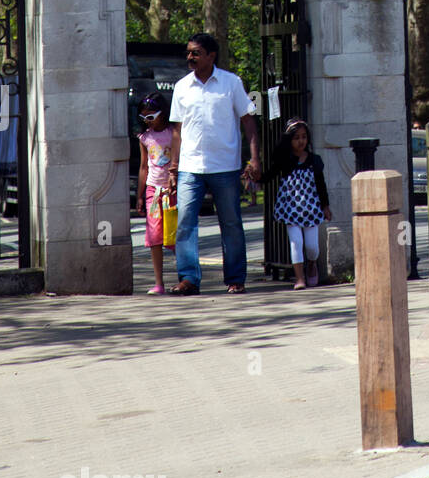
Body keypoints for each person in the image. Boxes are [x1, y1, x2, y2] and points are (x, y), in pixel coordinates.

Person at [167, 32, 260, 295]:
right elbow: (177, 130)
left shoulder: (231, 83)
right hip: (189, 167)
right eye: (188, 52)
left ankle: (235, 277)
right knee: (185, 223)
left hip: (225, 166)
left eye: (196, 53)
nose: (190, 57)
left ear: (211, 56)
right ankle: (188, 279)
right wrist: (173, 167)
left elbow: (249, 122)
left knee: (230, 223)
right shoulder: (182, 87)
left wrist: (254, 159)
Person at [263, 118, 332, 289]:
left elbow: (321, 185)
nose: (301, 141)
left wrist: (325, 206)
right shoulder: (284, 160)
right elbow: (269, 175)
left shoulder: (314, 160)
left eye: (303, 137)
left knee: (312, 246)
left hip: (311, 207)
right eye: (296, 138)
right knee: (296, 242)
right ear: (289, 140)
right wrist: (255, 177)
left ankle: (312, 263)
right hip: (291, 208)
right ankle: (299, 278)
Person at [135, 93, 179, 295]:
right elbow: (144, 166)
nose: (148, 122)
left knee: (176, 232)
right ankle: (159, 282)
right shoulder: (144, 138)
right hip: (153, 189)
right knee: (154, 235)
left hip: (172, 189)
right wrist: (140, 194)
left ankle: (185, 276)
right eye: (144, 118)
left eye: (151, 117)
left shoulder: (174, 133)